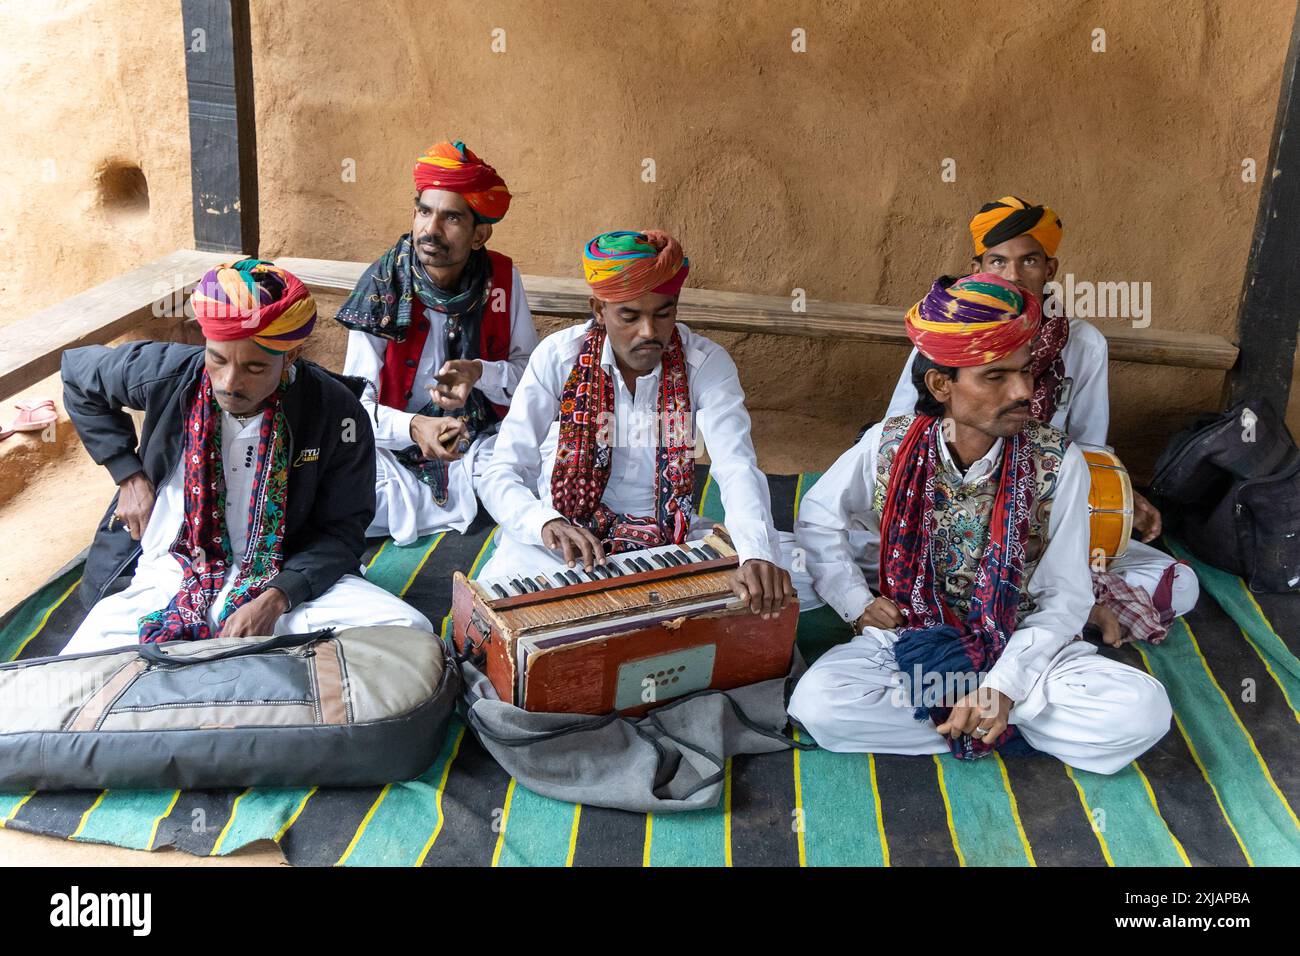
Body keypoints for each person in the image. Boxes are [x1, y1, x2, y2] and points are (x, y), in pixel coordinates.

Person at [789, 273, 1171, 774]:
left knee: (1142, 711)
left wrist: (1005, 683)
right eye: (996, 377)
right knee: (819, 705)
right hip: (913, 634)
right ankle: (992, 722)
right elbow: (818, 518)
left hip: (1022, 640)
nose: (1023, 392)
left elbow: (1065, 595)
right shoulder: (889, 444)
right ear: (941, 384)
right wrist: (855, 602)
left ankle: (975, 712)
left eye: (1025, 372)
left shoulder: (1057, 461)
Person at [61, 259, 432, 655]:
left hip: (282, 574)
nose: (229, 383)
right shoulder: (169, 375)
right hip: (172, 572)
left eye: (255, 367)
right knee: (78, 665)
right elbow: (78, 374)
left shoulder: (336, 411)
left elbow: (342, 531)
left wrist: (277, 598)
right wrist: (127, 474)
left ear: (290, 357)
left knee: (410, 632)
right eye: (217, 359)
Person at [877, 196, 1197, 642]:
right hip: (943, 502)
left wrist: (1117, 497)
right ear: (977, 268)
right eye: (997, 262)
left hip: (1040, 506)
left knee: (1181, 584)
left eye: (1028, 260)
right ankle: (1027, 610)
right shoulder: (949, 333)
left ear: (1050, 268)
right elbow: (897, 432)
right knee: (864, 549)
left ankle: (1015, 607)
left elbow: (1089, 446)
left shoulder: (1083, 344)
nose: (1012, 275)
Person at [477, 229, 793, 617]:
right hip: (566, 539)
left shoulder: (705, 364)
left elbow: (736, 465)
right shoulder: (559, 358)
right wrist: (545, 523)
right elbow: (502, 471)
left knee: (781, 579)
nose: (649, 332)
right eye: (630, 315)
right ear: (598, 310)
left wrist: (756, 554)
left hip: (668, 536)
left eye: (664, 314)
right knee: (511, 603)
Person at [336, 141, 539, 544]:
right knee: (343, 492)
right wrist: (415, 427)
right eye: (425, 212)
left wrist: (480, 372)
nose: (430, 230)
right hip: (394, 451)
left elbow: (532, 381)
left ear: (479, 234)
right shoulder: (381, 286)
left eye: (451, 218)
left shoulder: (501, 278)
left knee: (551, 463)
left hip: (480, 440)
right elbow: (355, 408)